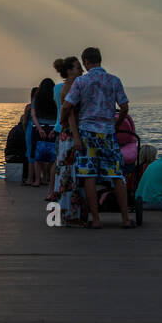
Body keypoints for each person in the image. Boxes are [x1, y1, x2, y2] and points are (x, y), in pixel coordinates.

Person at [62, 46, 134, 229]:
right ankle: (125, 218)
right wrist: (116, 125)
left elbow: (67, 105)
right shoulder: (114, 80)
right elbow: (124, 107)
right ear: (100, 60)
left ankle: (95, 219)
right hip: (108, 133)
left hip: (87, 133)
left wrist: (63, 120)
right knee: (117, 175)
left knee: (89, 176)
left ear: (86, 62)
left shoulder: (81, 82)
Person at [48, 57, 85, 223]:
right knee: (68, 173)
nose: (81, 70)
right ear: (69, 70)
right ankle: (66, 213)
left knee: (65, 172)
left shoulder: (67, 87)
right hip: (70, 134)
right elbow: (69, 115)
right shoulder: (68, 89)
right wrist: (77, 137)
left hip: (66, 133)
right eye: (78, 67)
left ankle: (65, 212)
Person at [28, 78, 57, 187]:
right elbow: (59, 113)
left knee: (38, 156)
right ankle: (47, 178)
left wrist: (39, 128)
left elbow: (33, 115)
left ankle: (37, 180)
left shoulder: (37, 98)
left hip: (38, 128)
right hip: (52, 128)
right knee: (52, 155)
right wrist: (54, 129)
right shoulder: (55, 98)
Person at [4, 117, 29, 183]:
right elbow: (24, 147)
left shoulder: (15, 128)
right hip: (17, 156)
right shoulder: (23, 130)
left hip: (10, 155)